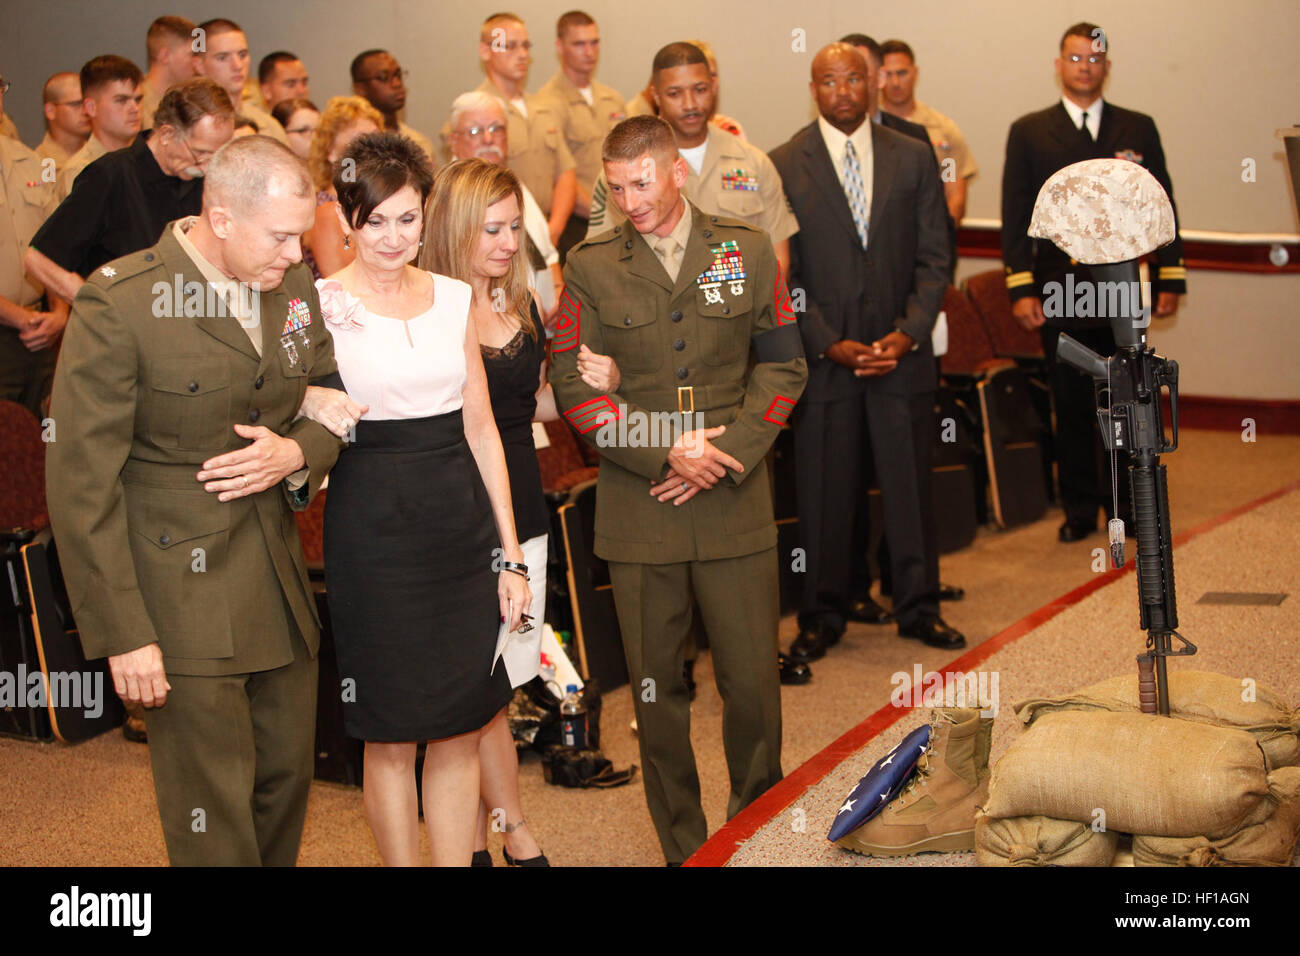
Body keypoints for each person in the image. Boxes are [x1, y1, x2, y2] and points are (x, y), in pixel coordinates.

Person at [45, 135, 350, 865]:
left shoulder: (294, 289)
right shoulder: (121, 302)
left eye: (298, 237)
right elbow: (81, 485)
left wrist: (295, 452)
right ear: (219, 217)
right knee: (211, 809)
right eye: (278, 237)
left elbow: (331, 395)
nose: (292, 254)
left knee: (282, 787)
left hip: (277, 585)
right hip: (176, 594)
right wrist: (124, 633)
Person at [551, 115, 808, 864]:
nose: (629, 199)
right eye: (616, 185)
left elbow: (785, 364)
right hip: (642, 512)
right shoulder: (591, 266)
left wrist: (726, 452)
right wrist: (666, 451)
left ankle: (753, 829)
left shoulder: (747, 248)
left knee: (754, 686)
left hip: (733, 496)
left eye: (641, 182)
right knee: (659, 701)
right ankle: (684, 849)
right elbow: (574, 383)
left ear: (675, 173)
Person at [316, 134, 529, 866]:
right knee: (390, 730)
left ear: (426, 215)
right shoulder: (319, 307)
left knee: (461, 721)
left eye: (407, 219)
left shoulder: (456, 296)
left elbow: (482, 430)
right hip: (371, 527)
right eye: (375, 221)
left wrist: (509, 556)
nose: (392, 237)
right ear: (347, 218)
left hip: (459, 525)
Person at [418, 157, 618, 866]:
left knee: (501, 684)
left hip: (522, 501)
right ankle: (498, 836)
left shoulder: (523, 304)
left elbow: (528, 406)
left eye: (513, 227)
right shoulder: (424, 308)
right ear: (456, 227)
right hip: (456, 510)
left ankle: (498, 833)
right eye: (493, 229)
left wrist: (598, 384)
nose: (509, 243)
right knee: (467, 694)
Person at [770, 43, 963, 662]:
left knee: (910, 487)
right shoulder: (783, 163)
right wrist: (827, 341)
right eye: (830, 80)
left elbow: (937, 256)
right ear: (813, 87)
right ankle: (822, 614)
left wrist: (909, 331)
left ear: (874, 82)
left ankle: (918, 606)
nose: (844, 90)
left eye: (855, 77)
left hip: (900, 354)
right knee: (824, 492)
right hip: (827, 359)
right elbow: (785, 274)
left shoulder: (913, 154)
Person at [1002, 22, 1186, 543]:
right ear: (1059, 65)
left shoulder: (1138, 127)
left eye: (1095, 59)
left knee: (1127, 397)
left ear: (1107, 67)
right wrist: (1020, 287)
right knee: (1071, 397)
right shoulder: (1030, 130)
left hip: (1124, 287)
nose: (1086, 66)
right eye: (1076, 58)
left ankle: (1126, 503)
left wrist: (1172, 275)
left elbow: (1162, 205)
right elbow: (1015, 212)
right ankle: (1079, 506)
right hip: (1061, 288)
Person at [586, 43, 798, 277]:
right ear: (656, 95)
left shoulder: (753, 163)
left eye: (700, 89)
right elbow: (601, 263)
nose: (690, 104)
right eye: (674, 93)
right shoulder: (624, 173)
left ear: (714, 87)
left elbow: (777, 261)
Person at [27, 77, 234, 308]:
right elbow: (39, 259)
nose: (206, 166)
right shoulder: (110, 176)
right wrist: (98, 308)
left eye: (216, 156)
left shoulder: (202, 179)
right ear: (166, 134)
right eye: (200, 153)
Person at [447, 91, 561, 320]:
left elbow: (547, 253)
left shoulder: (514, 184)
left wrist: (557, 292)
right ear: (453, 140)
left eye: (497, 129)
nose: (488, 139)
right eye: (475, 131)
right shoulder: (447, 198)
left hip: (537, 320)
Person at [474, 13, 577, 246]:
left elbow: (565, 174)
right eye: (509, 46)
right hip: (501, 233)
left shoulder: (543, 108)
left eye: (525, 46)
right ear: (485, 51)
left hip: (551, 230)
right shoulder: (476, 113)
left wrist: (553, 230)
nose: (522, 54)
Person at [537, 10, 626, 256]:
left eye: (594, 42)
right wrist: (602, 213)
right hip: (578, 222)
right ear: (560, 46)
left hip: (620, 215)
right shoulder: (547, 104)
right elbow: (561, 175)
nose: (589, 51)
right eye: (579, 44)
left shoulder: (612, 99)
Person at [0, 120, 63, 418]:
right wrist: (19, 317)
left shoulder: (30, 161)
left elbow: (55, 246)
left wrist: (59, 313)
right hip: (17, 324)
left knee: (44, 437)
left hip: (40, 331)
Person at [879, 39, 978, 224]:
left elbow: (955, 197)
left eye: (902, 73)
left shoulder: (942, 131)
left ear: (915, 73)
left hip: (929, 237)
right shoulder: (868, 127)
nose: (895, 82)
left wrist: (938, 239)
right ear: (878, 77)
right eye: (887, 74)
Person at [301, 95, 382, 279]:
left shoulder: (374, 206)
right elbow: (343, 289)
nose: (372, 153)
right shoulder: (327, 212)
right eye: (359, 142)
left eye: (377, 141)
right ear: (329, 152)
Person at [58, 55, 143, 199]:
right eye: (121, 100)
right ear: (91, 108)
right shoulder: (80, 171)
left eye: (138, 99)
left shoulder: (148, 161)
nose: (135, 108)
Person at [192, 18, 288, 146]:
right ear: (199, 65)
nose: (237, 66)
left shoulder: (269, 126)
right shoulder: (187, 123)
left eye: (242, 55)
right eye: (223, 58)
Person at [349, 49, 435, 163]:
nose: (397, 83)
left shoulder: (420, 143)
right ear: (360, 88)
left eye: (398, 75)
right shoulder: (354, 143)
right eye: (384, 77)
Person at [140, 15, 197, 129]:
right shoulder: (137, 104)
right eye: (191, 54)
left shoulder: (192, 99)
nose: (196, 62)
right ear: (165, 56)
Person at [35, 73, 91, 177]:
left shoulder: (102, 157)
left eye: (87, 104)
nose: (85, 111)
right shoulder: (37, 164)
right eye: (75, 104)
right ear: (50, 111)